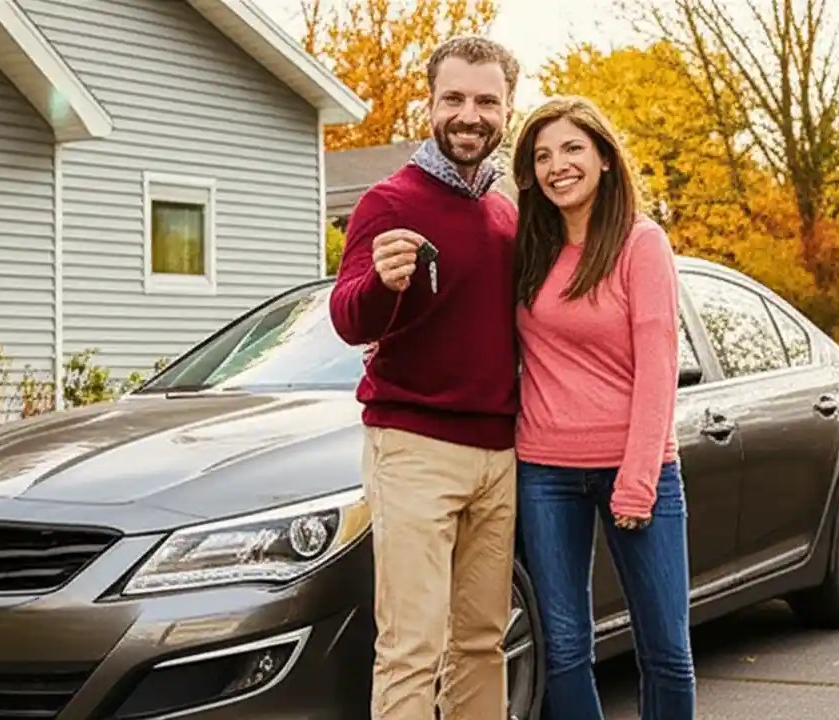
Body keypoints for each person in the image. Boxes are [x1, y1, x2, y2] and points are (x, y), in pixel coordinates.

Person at [328, 35, 522, 720]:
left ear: (507, 109)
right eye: (455, 99)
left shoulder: (508, 211)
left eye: (486, 101)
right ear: (430, 103)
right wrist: (381, 285)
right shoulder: (388, 201)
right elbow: (348, 318)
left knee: (481, 643)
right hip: (414, 450)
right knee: (412, 648)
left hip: (501, 454)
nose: (469, 115)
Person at [510, 95, 696, 719]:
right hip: (545, 472)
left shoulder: (642, 245)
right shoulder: (530, 248)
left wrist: (638, 480)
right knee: (563, 650)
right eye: (541, 156)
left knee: (665, 650)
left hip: (636, 470)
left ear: (605, 159)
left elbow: (658, 367)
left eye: (571, 149)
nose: (557, 165)